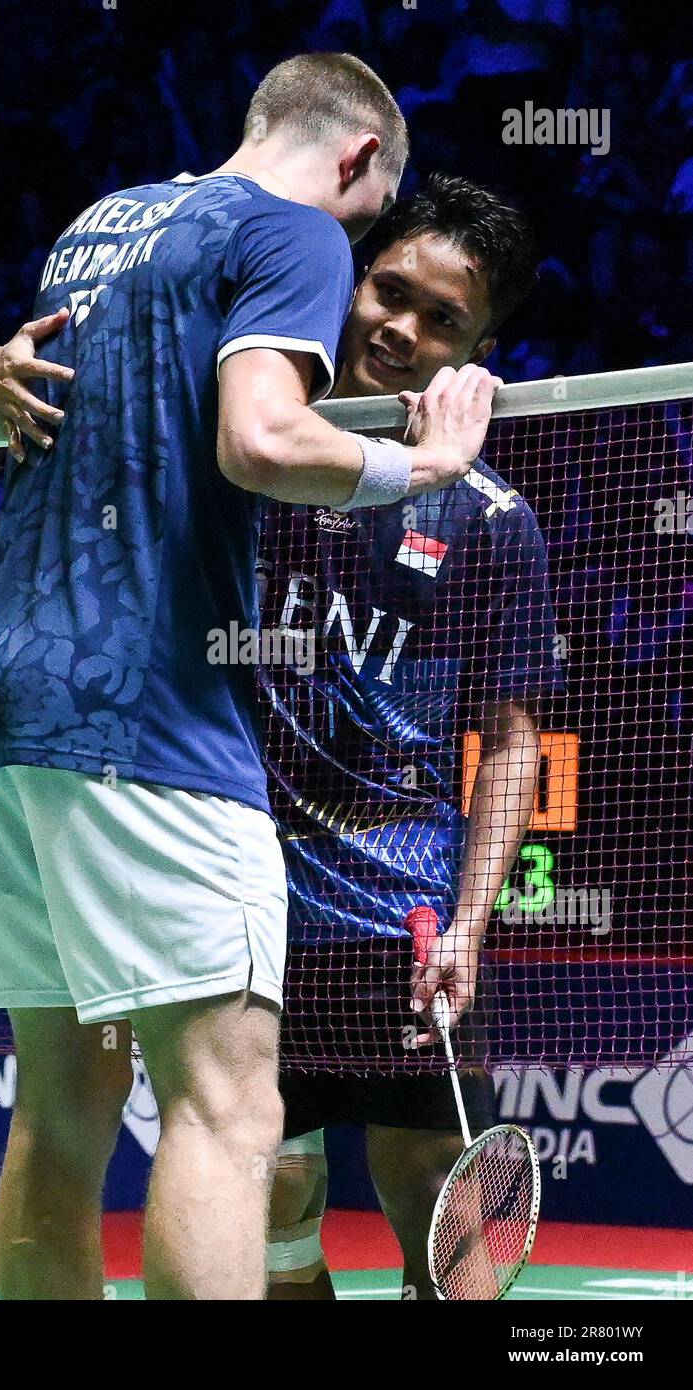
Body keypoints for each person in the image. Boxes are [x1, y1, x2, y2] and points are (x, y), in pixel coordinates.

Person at [0, 54, 500, 1301]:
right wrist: (432, 466)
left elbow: (38, 402)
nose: (352, 264)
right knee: (229, 1112)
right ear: (355, 162)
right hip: (144, 713)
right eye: (367, 221)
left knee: (62, 1109)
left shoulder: (104, 223)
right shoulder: (294, 229)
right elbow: (258, 439)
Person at [261, 175, 563, 1299]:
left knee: (453, 1246)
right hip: (239, 913)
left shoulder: (486, 518)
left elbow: (512, 741)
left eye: (444, 320)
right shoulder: (241, 455)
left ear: (478, 350)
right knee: (267, 1218)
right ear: (352, 275)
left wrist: (472, 925)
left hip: (400, 925)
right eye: (390, 291)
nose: (402, 329)